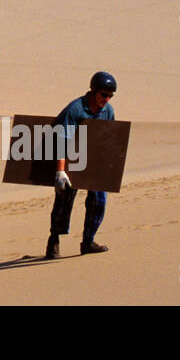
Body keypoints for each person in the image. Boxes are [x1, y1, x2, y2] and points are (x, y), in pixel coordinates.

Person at [46, 71, 117, 259]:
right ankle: (54, 239)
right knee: (64, 200)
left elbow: (108, 137)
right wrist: (60, 171)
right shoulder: (75, 109)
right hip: (70, 160)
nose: (107, 99)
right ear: (93, 91)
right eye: (104, 94)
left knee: (99, 200)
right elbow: (62, 140)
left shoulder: (108, 111)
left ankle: (88, 241)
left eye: (110, 96)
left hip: (92, 162)